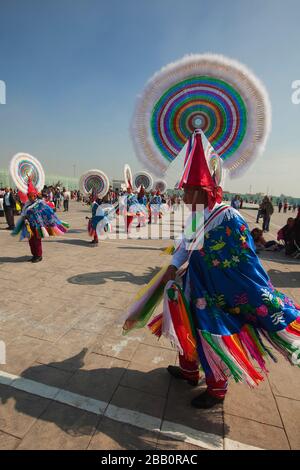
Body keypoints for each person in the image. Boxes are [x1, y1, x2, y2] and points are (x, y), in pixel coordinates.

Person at [123, 130, 300, 409]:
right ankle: (189, 371)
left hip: (221, 293)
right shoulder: (196, 217)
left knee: (212, 334)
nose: (182, 195)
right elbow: (185, 247)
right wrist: (172, 267)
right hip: (195, 285)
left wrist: (218, 276)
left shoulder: (228, 216)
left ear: (204, 190)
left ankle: (217, 390)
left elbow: (243, 259)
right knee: (184, 324)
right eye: (183, 190)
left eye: (188, 190)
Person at [12, 179, 69, 262]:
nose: (30, 197)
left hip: (37, 225)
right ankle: (34, 255)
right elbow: (24, 214)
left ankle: (39, 255)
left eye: (31, 196)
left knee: (37, 241)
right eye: (29, 196)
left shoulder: (40, 203)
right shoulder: (27, 204)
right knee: (31, 241)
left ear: (35, 195)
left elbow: (48, 210)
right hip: (29, 225)